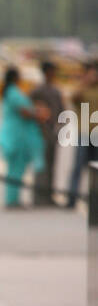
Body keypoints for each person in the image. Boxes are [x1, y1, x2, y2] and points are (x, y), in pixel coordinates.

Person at [0, 66, 46, 208]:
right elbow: (25, 112)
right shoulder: (14, 93)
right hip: (17, 137)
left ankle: (12, 198)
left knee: (14, 169)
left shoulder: (9, 92)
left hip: (13, 135)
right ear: (15, 78)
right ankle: (12, 200)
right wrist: (39, 114)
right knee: (16, 170)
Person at [30, 59, 64, 205]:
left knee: (52, 165)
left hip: (53, 132)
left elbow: (62, 111)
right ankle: (39, 198)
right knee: (41, 165)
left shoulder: (56, 90)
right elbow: (29, 108)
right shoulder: (37, 91)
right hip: (40, 132)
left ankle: (49, 196)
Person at [65, 58, 98, 208]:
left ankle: (94, 201)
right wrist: (85, 82)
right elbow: (73, 98)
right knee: (78, 167)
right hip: (84, 133)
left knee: (95, 170)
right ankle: (72, 199)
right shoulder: (82, 88)